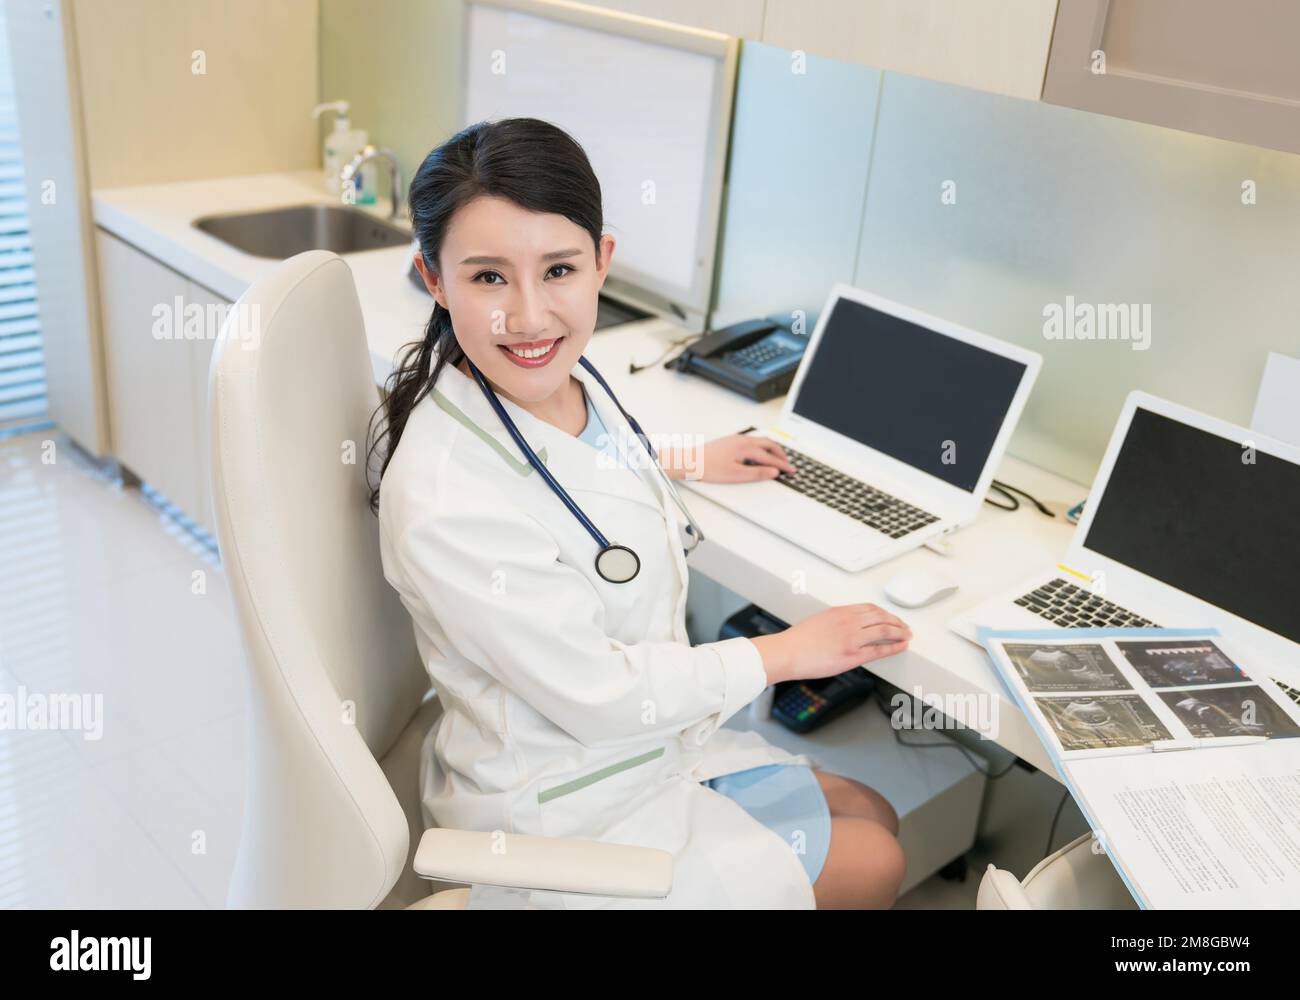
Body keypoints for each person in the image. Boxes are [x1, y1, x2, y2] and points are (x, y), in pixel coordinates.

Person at [368, 117, 910, 909]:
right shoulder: (447, 497)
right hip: (562, 812)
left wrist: (692, 458)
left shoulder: (564, 379)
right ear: (435, 279)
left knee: (874, 809)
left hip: (642, 752)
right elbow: (601, 693)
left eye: (558, 269)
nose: (529, 315)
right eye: (488, 278)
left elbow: (585, 463)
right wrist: (786, 653)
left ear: (602, 264)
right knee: (875, 861)